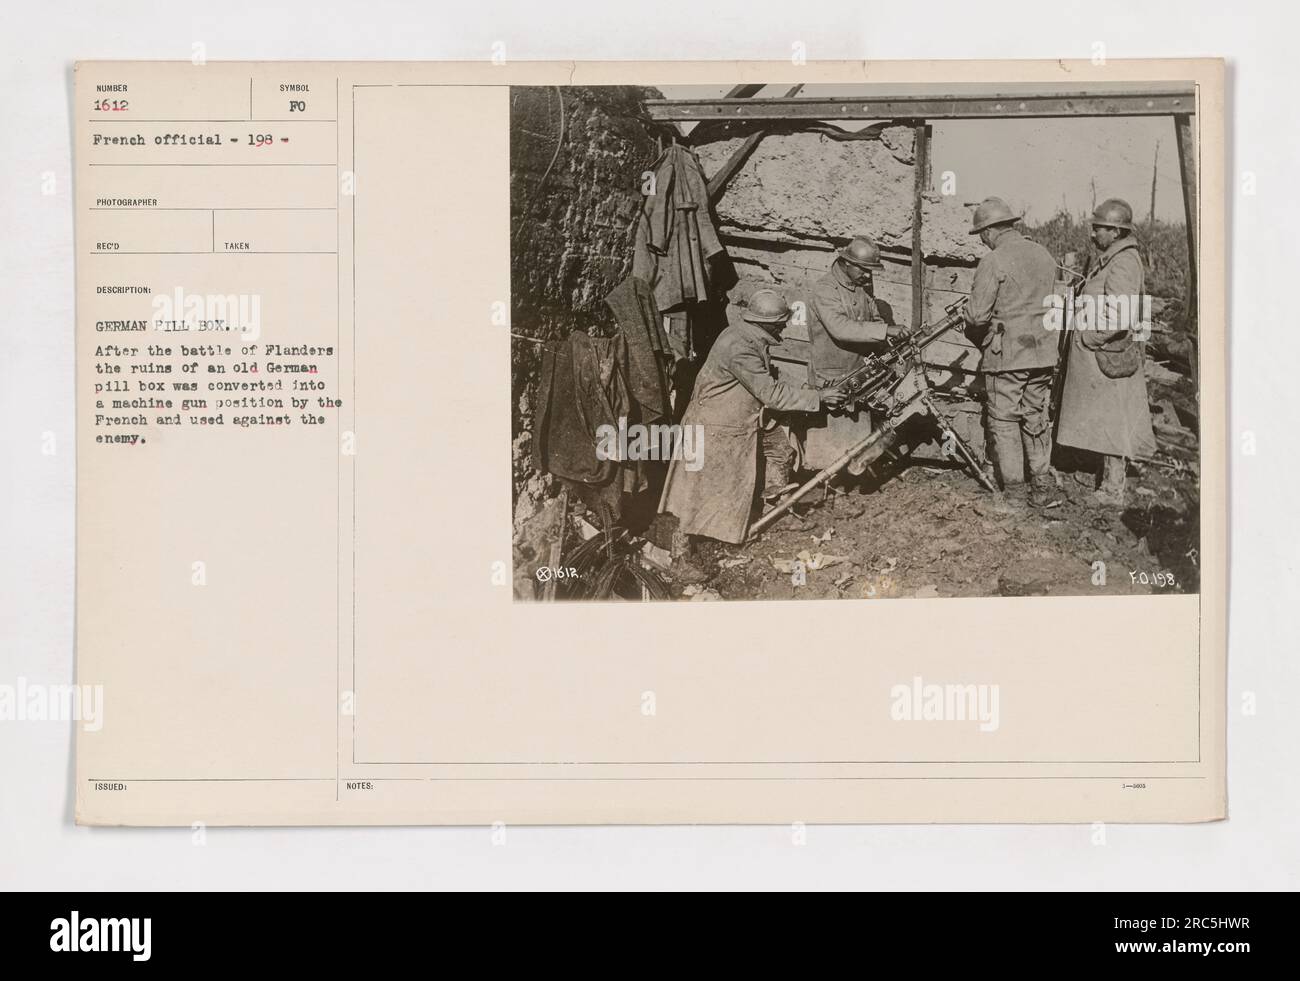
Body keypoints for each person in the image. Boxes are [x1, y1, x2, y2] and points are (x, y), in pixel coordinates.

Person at [660, 289, 845, 577]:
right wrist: (819, 398)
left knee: (781, 449)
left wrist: (812, 388)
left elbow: (770, 376)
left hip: (737, 421)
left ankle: (774, 509)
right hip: (714, 427)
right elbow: (770, 393)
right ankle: (680, 557)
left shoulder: (749, 336)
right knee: (695, 492)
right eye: (782, 322)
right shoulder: (740, 345)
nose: (785, 326)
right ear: (767, 323)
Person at [1055, 198, 1157, 504]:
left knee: (1114, 418)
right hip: (1104, 353)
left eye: (1098, 228)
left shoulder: (1123, 261)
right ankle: (1105, 478)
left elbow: (1122, 314)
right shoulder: (1111, 257)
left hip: (1108, 354)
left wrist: (1092, 338)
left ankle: (1113, 490)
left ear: (1114, 231)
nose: (1093, 234)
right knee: (1106, 416)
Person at [962, 196, 1061, 508]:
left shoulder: (994, 260)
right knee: (1036, 417)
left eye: (981, 235)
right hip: (1043, 354)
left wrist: (965, 310)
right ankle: (1042, 489)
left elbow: (977, 315)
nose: (982, 240)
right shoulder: (1043, 254)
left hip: (1007, 358)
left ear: (990, 231)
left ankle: (1015, 496)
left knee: (1003, 422)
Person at [795, 235, 902, 477]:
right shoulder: (825, 290)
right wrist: (885, 331)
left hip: (857, 372)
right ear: (846, 263)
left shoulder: (862, 289)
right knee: (828, 443)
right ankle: (821, 483)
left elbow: (874, 317)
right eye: (864, 270)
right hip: (831, 375)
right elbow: (840, 329)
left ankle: (851, 479)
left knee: (855, 437)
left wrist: (885, 331)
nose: (868, 276)